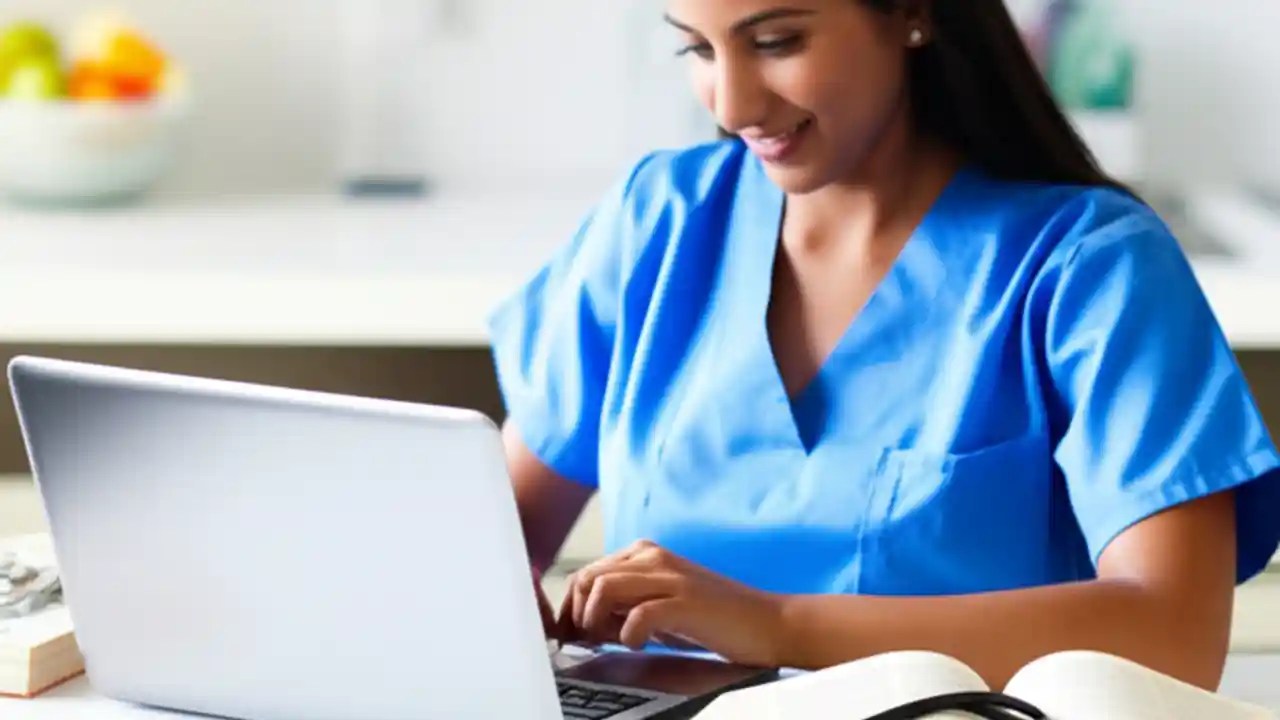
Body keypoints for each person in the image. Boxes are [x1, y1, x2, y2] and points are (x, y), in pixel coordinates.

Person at [488, 0, 1280, 692]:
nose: (731, 106)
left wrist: (779, 624)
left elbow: (1174, 635)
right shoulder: (657, 221)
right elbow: (493, 542)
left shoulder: (1089, 264)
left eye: (775, 42)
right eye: (698, 48)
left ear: (913, 11)